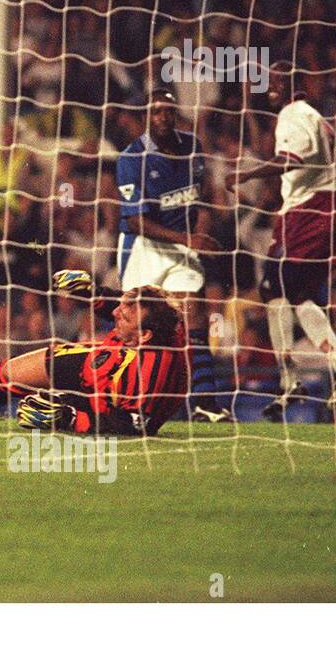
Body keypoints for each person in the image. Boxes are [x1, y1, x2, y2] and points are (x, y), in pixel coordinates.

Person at [224, 65, 336, 416]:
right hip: (321, 213)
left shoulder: (292, 115)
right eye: (268, 81)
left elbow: (290, 160)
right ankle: (318, 372)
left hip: (314, 211)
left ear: (295, 85)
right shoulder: (317, 119)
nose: (272, 85)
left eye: (279, 79)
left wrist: (246, 174)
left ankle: (306, 376)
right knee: (287, 292)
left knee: (276, 288)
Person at [0, 270, 188, 436]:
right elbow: (121, 303)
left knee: (55, 409)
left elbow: (135, 426)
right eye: (121, 308)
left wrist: (68, 417)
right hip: (107, 359)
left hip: (112, 405)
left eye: (124, 317)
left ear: (144, 336)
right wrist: (90, 293)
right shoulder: (154, 317)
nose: (114, 314)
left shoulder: (153, 373)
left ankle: (64, 401)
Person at [117, 88, 229, 422]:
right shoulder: (131, 158)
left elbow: (201, 195)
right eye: (156, 112)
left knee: (194, 317)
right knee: (135, 329)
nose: (163, 117)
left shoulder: (194, 146)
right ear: (145, 118)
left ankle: (205, 403)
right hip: (145, 249)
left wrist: (201, 229)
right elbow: (135, 221)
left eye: (168, 111)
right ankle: (127, 403)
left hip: (182, 247)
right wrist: (189, 238)